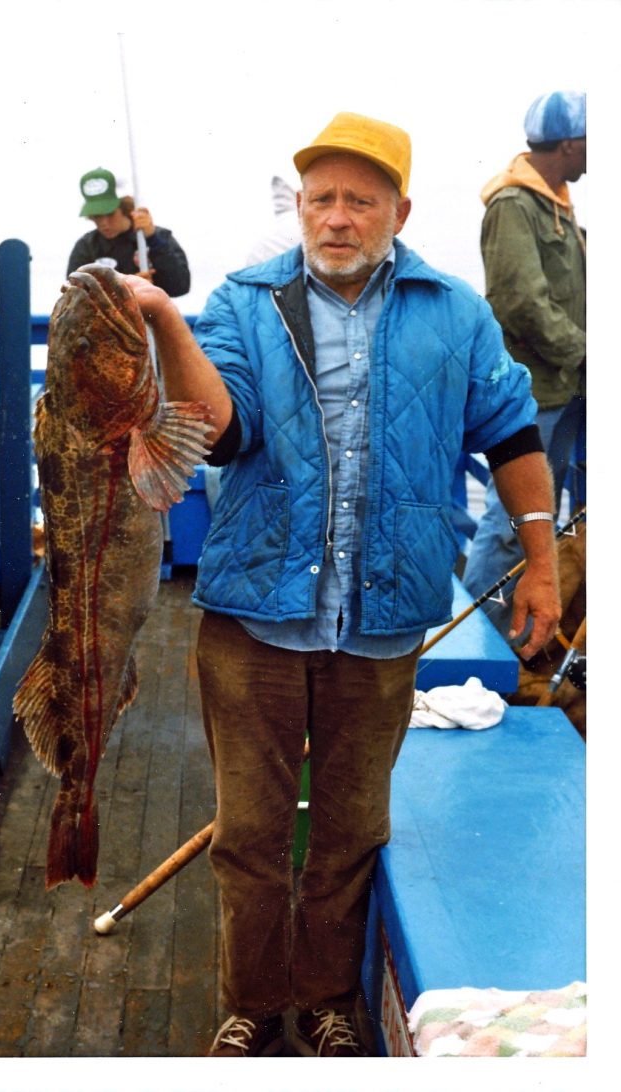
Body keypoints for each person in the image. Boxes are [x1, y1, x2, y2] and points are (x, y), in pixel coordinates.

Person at [122, 111, 561, 1058]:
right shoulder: (244, 302)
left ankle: (326, 1000)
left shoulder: (457, 312)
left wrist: (543, 562)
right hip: (255, 618)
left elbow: (513, 434)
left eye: (360, 200)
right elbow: (223, 431)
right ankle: (250, 1004)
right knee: (249, 831)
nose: (336, 217)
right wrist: (165, 321)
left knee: (351, 830)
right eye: (320, 198)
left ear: (400, 212)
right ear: (301, 207)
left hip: (385, 620)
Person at [462, 91, 586, 637]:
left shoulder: (556, 202)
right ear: (570, 144)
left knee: (544, 516)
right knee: (515, 517)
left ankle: (515, 632)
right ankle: (474, 638)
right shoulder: (514, 205)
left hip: (566, 387)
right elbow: (521, 302)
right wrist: (588, 354)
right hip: (534, 393)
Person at [66, 166, 191, 297]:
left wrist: (153, 239)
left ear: (125, 206)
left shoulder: (157, 238)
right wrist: (126, 289)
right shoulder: (86, 247)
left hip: (151, 310)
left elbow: (181, 287)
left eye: (109, 213)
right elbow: (73, 296)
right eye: (97, 216)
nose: (104, 223)